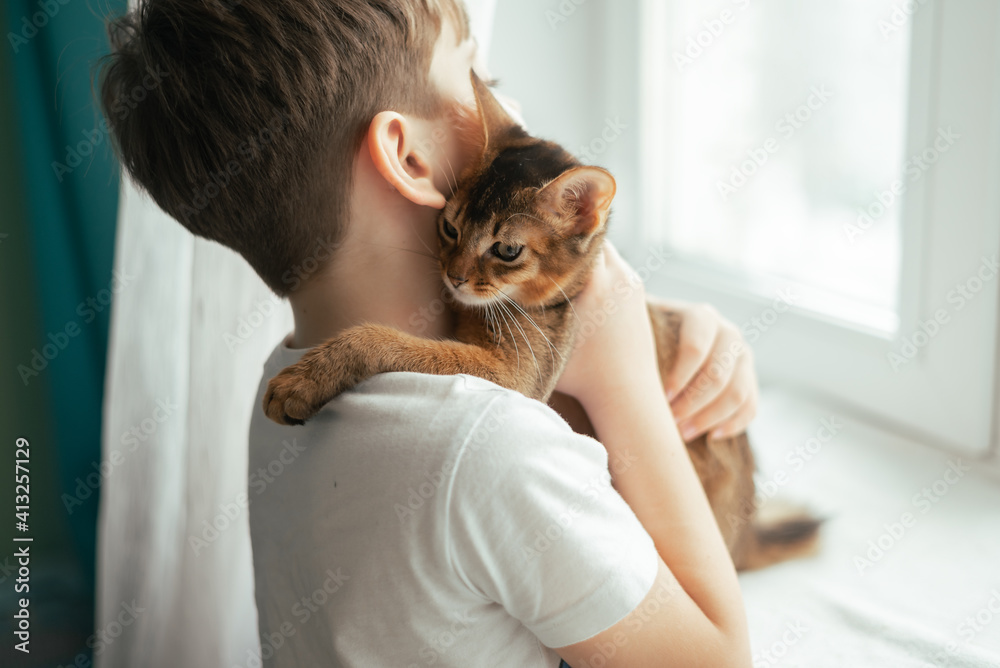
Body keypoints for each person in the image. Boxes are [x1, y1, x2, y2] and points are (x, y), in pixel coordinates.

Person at [99, 1, 756, 665]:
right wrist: (629, 381)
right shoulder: (488, 451)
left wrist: (663, 326)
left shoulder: (288, 380)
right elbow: (721, 659)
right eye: (480, 79)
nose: (512, 110)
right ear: (408, 158)